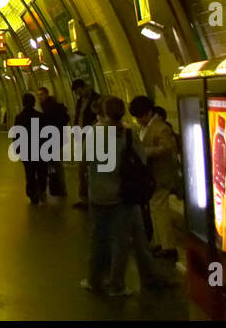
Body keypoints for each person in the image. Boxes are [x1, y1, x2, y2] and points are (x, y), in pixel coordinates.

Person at [82, 96, 173, 295]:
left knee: (98, 238)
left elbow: (85, 158)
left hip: (97, 194)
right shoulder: (128, 134)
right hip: (121, 194)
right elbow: (141, 159)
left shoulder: (92, 132)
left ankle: (94, 279)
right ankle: (117, 284)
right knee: (120, 241)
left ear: (103, 113)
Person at [133, 96, 180, 260]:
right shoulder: (148, 127)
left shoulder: (160, 127)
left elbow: (167, 148)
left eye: (140, 117)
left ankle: (168, 246)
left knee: (160, 210)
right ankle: (159, 242)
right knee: (155, 209)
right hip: (153, 175)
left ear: (147, 113)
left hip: (162, 174)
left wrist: (145, 152)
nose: (138, 120)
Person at [70, 79, 100, 209]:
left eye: (79, 91)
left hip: (93, 137)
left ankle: (93, 197)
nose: (79, 94)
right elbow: (78, 118)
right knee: (82, 168)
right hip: (82, 136)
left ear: (84, 87)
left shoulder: (98, 100)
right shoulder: (80, 101)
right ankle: (84, 198)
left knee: (92, 168)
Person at [36, 87, 69, 198]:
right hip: (55, 139)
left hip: (51, 139)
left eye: (41, 94)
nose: (39, 97)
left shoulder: (49, 108)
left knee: (49, 164)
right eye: (38, 95)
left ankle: (45, 190)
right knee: (56, 164)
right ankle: (61, 188)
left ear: (46, 94)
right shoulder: (52, 106)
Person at [15, 92, 46, 205]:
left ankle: (32, 193)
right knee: (41, 171)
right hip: (39, 149)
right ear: (33, 102)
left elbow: (16, 135)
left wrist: (17, 149)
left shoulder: (19, 117)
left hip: (26, 150)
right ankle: (41, 190)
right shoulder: (40, 116)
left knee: (29, 173)